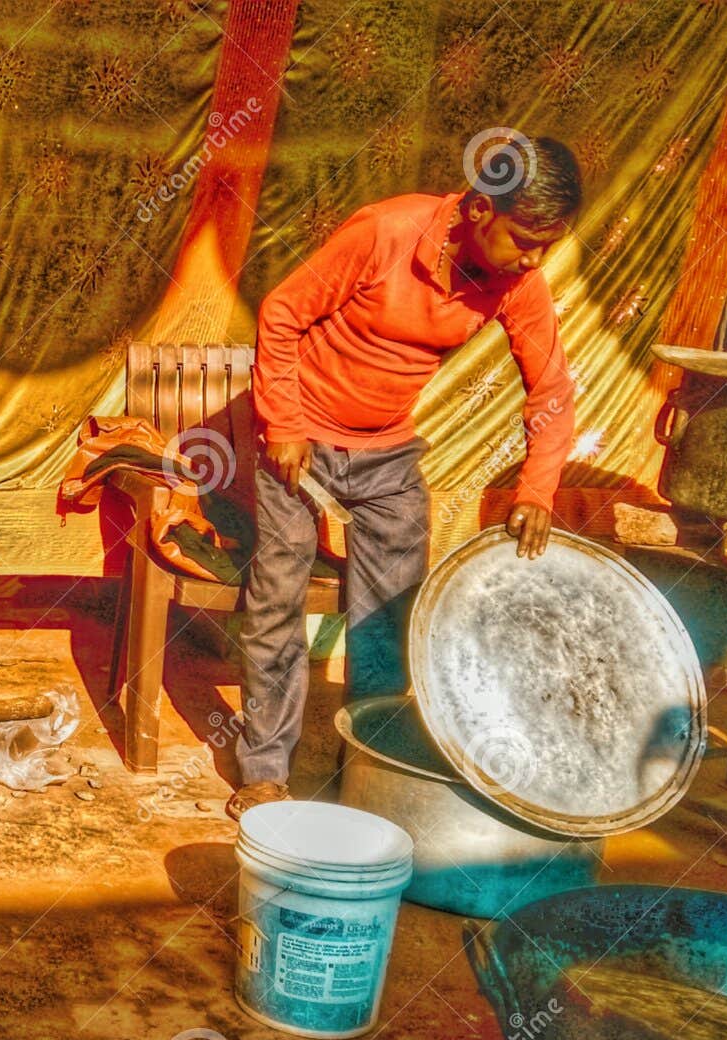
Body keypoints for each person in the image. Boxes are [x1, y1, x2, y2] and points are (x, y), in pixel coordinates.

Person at [229, 135, 583, 821]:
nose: (536, 259)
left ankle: (365, 772)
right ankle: (266, 772)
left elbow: (551, 392)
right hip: (298, 441)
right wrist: (285, 425)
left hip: (386, 454)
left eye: (550, 244)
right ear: (481, 208)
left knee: (390, 619)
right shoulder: (387, 231)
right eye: (526, 239)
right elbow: (280, 314)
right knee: (277, 600)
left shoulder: (517, 283)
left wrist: (536, 489)